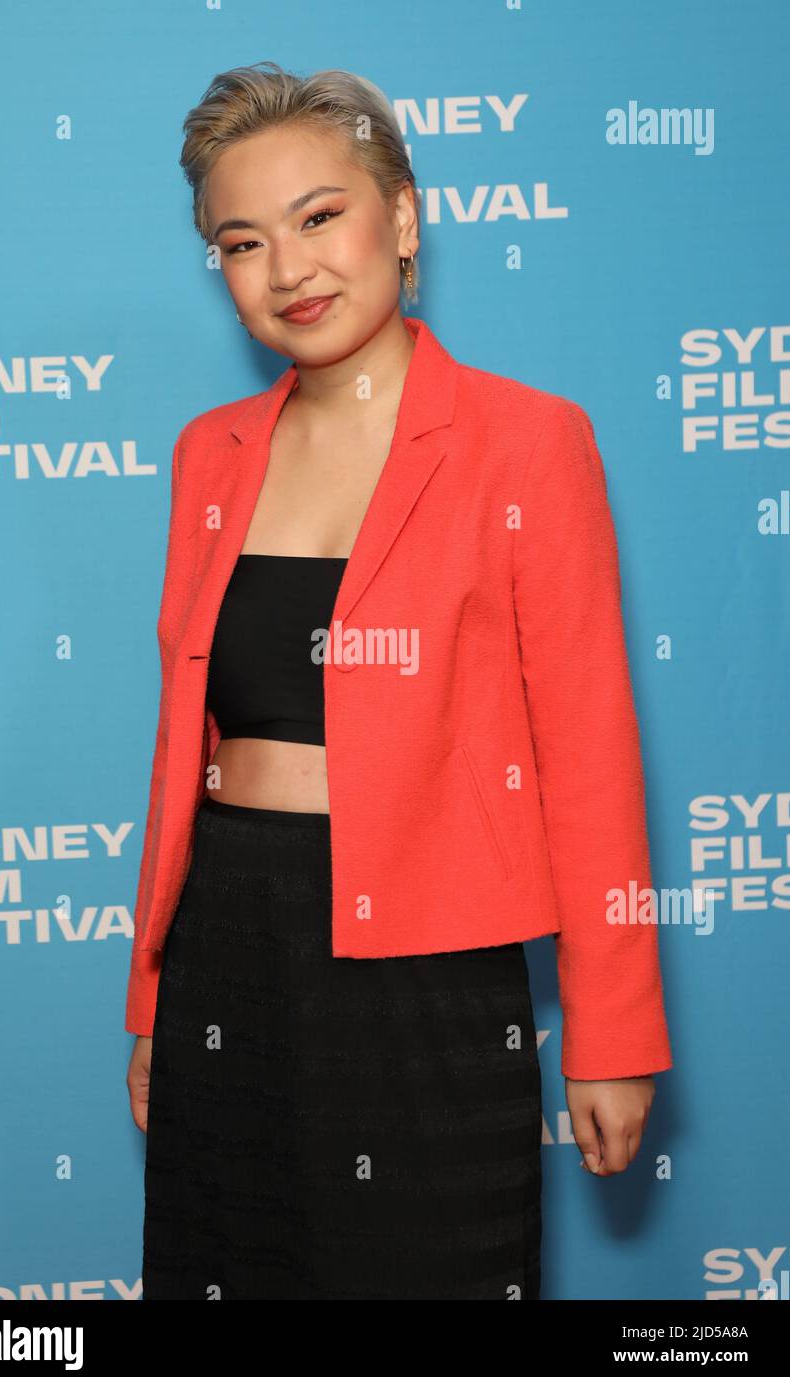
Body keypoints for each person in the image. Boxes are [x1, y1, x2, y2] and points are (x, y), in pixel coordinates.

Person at [125, 61, 673, 1300]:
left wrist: (614, 1031)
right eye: (242, 240)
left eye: (321, 217)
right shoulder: (207, 454)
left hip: (427, 972)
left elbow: (588, 752)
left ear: (404, 218)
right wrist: (152, 995)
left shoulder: (524, 441)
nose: (288, 269)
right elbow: (176, 762)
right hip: (231, 947)